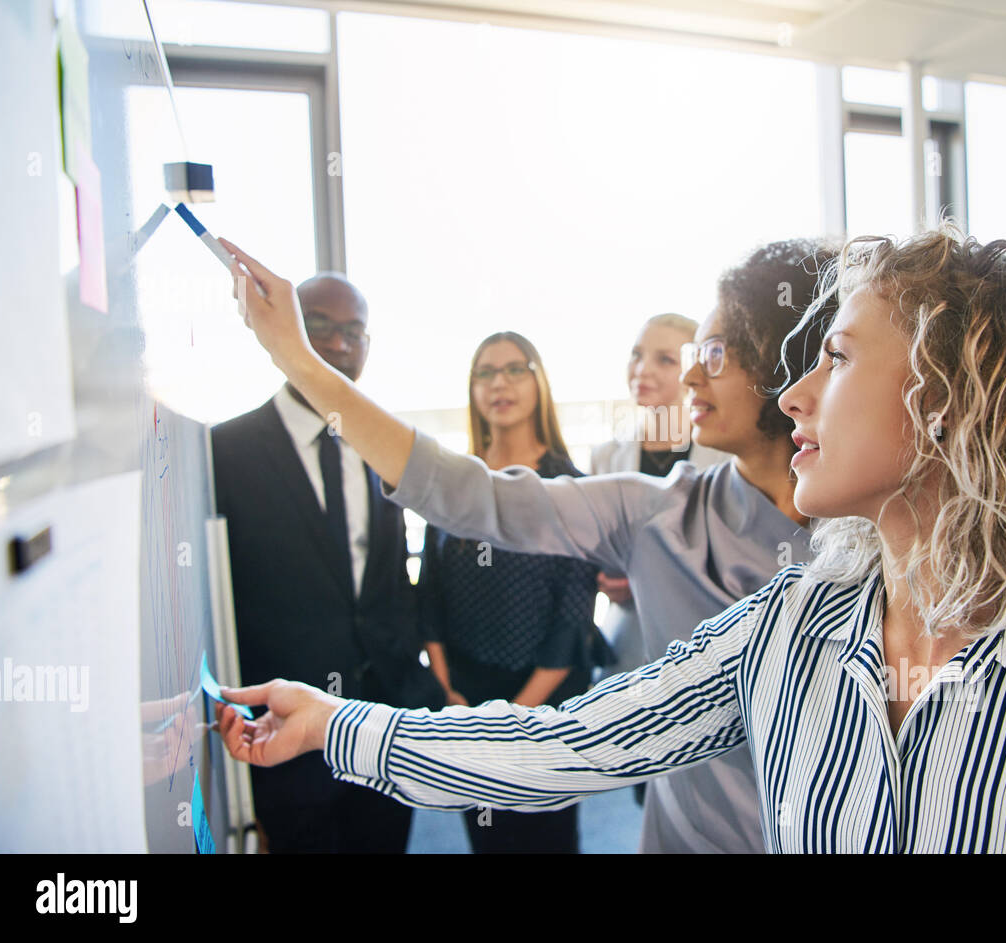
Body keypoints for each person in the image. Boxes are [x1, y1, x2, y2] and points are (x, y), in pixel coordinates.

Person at [218, 226, 1006, 852]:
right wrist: (337, 726)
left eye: (837, 357)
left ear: (949, 400)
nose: (799, 390)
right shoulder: (792, 623)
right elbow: (573, 743)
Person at [216, 233, 839, 853]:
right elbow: (466, 495)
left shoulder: (871, 551)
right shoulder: (656, 511)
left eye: (717, 351)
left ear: (788, 371)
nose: (692, 371)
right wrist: (299, 362)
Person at [210, 272, 446, 854]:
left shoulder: (381, 445)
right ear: (288, 328)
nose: (340, 344)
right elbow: (219, 600)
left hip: (383, 724)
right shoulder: (224, 453)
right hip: (285, 733)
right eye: (320, 326)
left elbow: (388, 578)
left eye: (354, 331)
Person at [419, 331, 599, 853]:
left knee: (546, 840)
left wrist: (511, 723)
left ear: (539, 381)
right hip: (465, 701)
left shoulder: (573, 487)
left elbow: (572, 621)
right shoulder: (452, 481)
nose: (500, 382)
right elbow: (428, 595)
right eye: (485, 372)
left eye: (515, 369)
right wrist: (450, 696)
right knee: (487, 838)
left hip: (545, 708)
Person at [589, 313, 729, 808]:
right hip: (632, 654)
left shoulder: (724, 455)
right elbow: (594, 552)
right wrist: (606, 579)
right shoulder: (605, 456)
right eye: (636, 353)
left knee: (711, 797)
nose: (641, 369)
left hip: (709, 662)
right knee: (647, 794)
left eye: (664, 358)